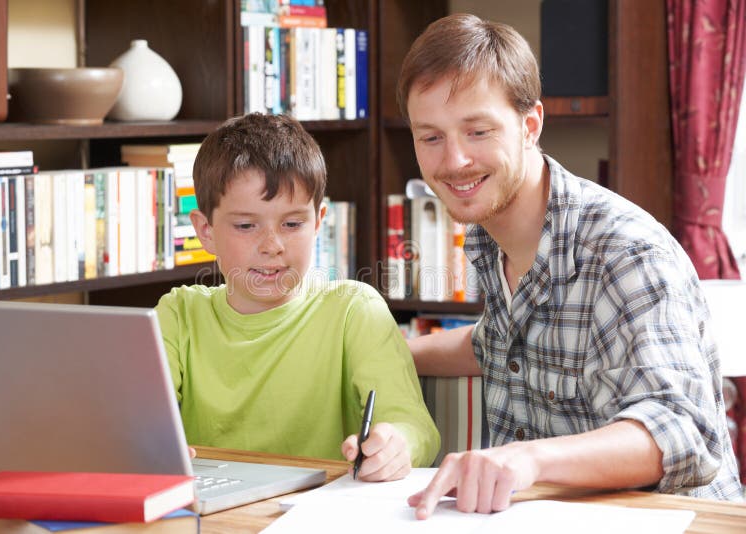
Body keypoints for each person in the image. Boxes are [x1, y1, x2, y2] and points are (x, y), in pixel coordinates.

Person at [396, 13, 743, 518]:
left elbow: (682, 431)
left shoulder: (624, 252)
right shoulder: (491, 236)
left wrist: (526, 460)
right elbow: (499, 341)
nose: (454, 161)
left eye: (477, 130)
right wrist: (376, 352)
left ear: (530, 125)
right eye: (431, 138)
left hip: (680, 524)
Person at [155, 112, 440, 481]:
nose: (272, 246)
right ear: (205, 231)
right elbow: (131, 423)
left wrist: (396, 444)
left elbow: (415, 427)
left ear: (319, 221)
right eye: (246, 225)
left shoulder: (354, 311)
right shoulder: (178, 315)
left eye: (292, 224)